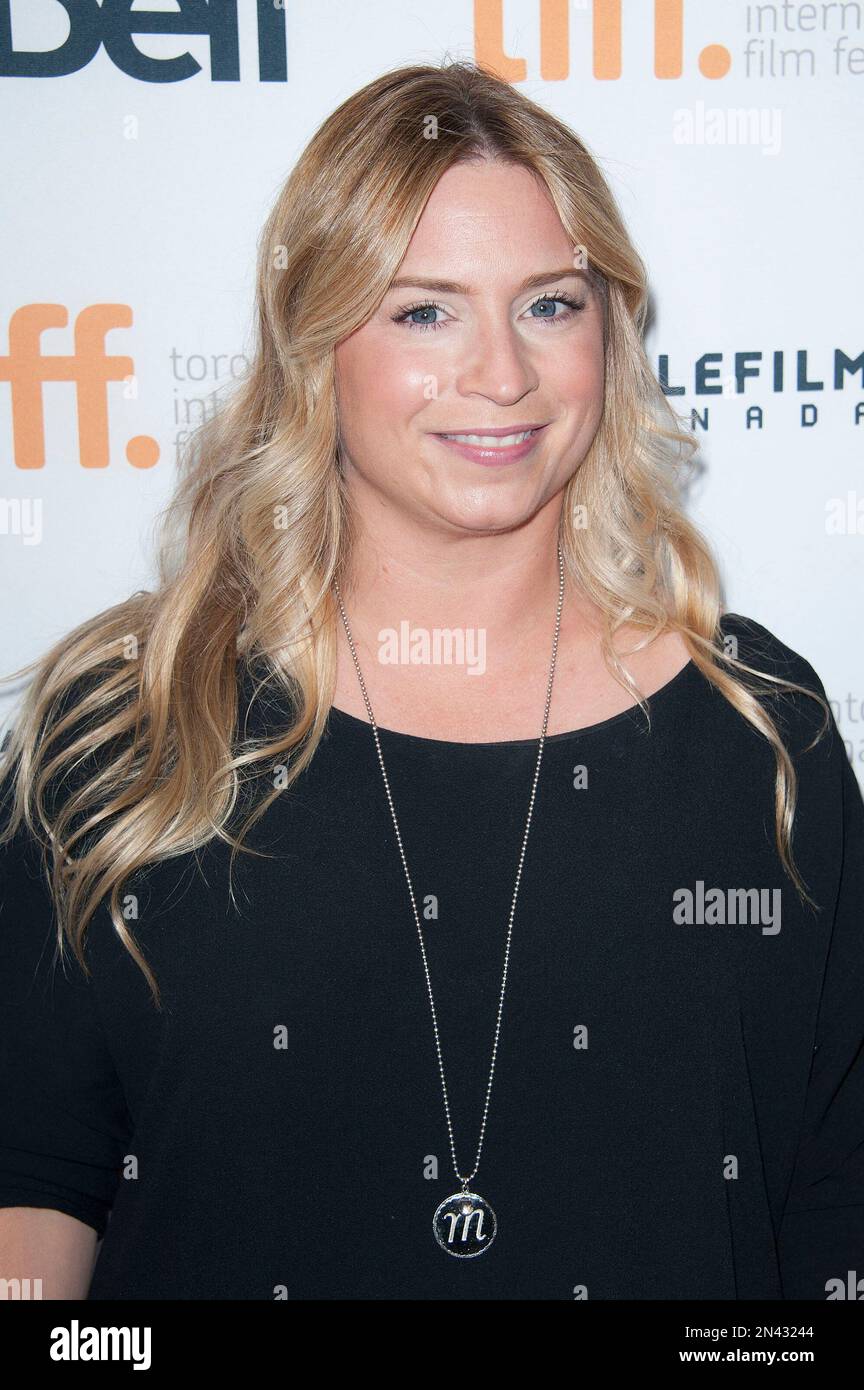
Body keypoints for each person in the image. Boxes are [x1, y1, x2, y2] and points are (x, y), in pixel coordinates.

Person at [0, 60, 861, 1302]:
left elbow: (833, 1181)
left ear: (609, 329)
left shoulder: (759, 731)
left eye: (551, 305)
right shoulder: (130, 723)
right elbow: (34, 1178)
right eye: (424, 311)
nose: (502, 374)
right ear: (314, 343)